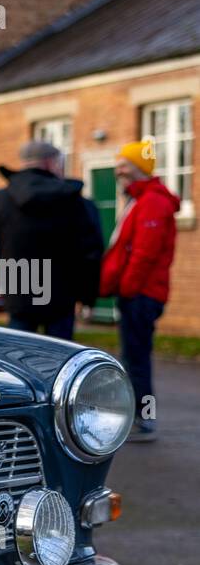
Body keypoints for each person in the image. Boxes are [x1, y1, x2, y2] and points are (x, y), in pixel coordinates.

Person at [0, 141, 102, 339]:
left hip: (19, 293)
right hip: (61, 296)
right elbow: (92, 253)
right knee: (59, 362)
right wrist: (88, 298)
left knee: (20, 361)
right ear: (50, 163)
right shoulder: (75, 202)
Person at [100, 139, 180, 443]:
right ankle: (138, 417)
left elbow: (144, 254)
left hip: (142, 294)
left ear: (137, 168)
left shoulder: (152, 202)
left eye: (123, 164)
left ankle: (144, 420)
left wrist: (128, 289)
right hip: (138, 292)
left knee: (138, 359)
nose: (117, 170)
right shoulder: (138, 199)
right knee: (133, 357)